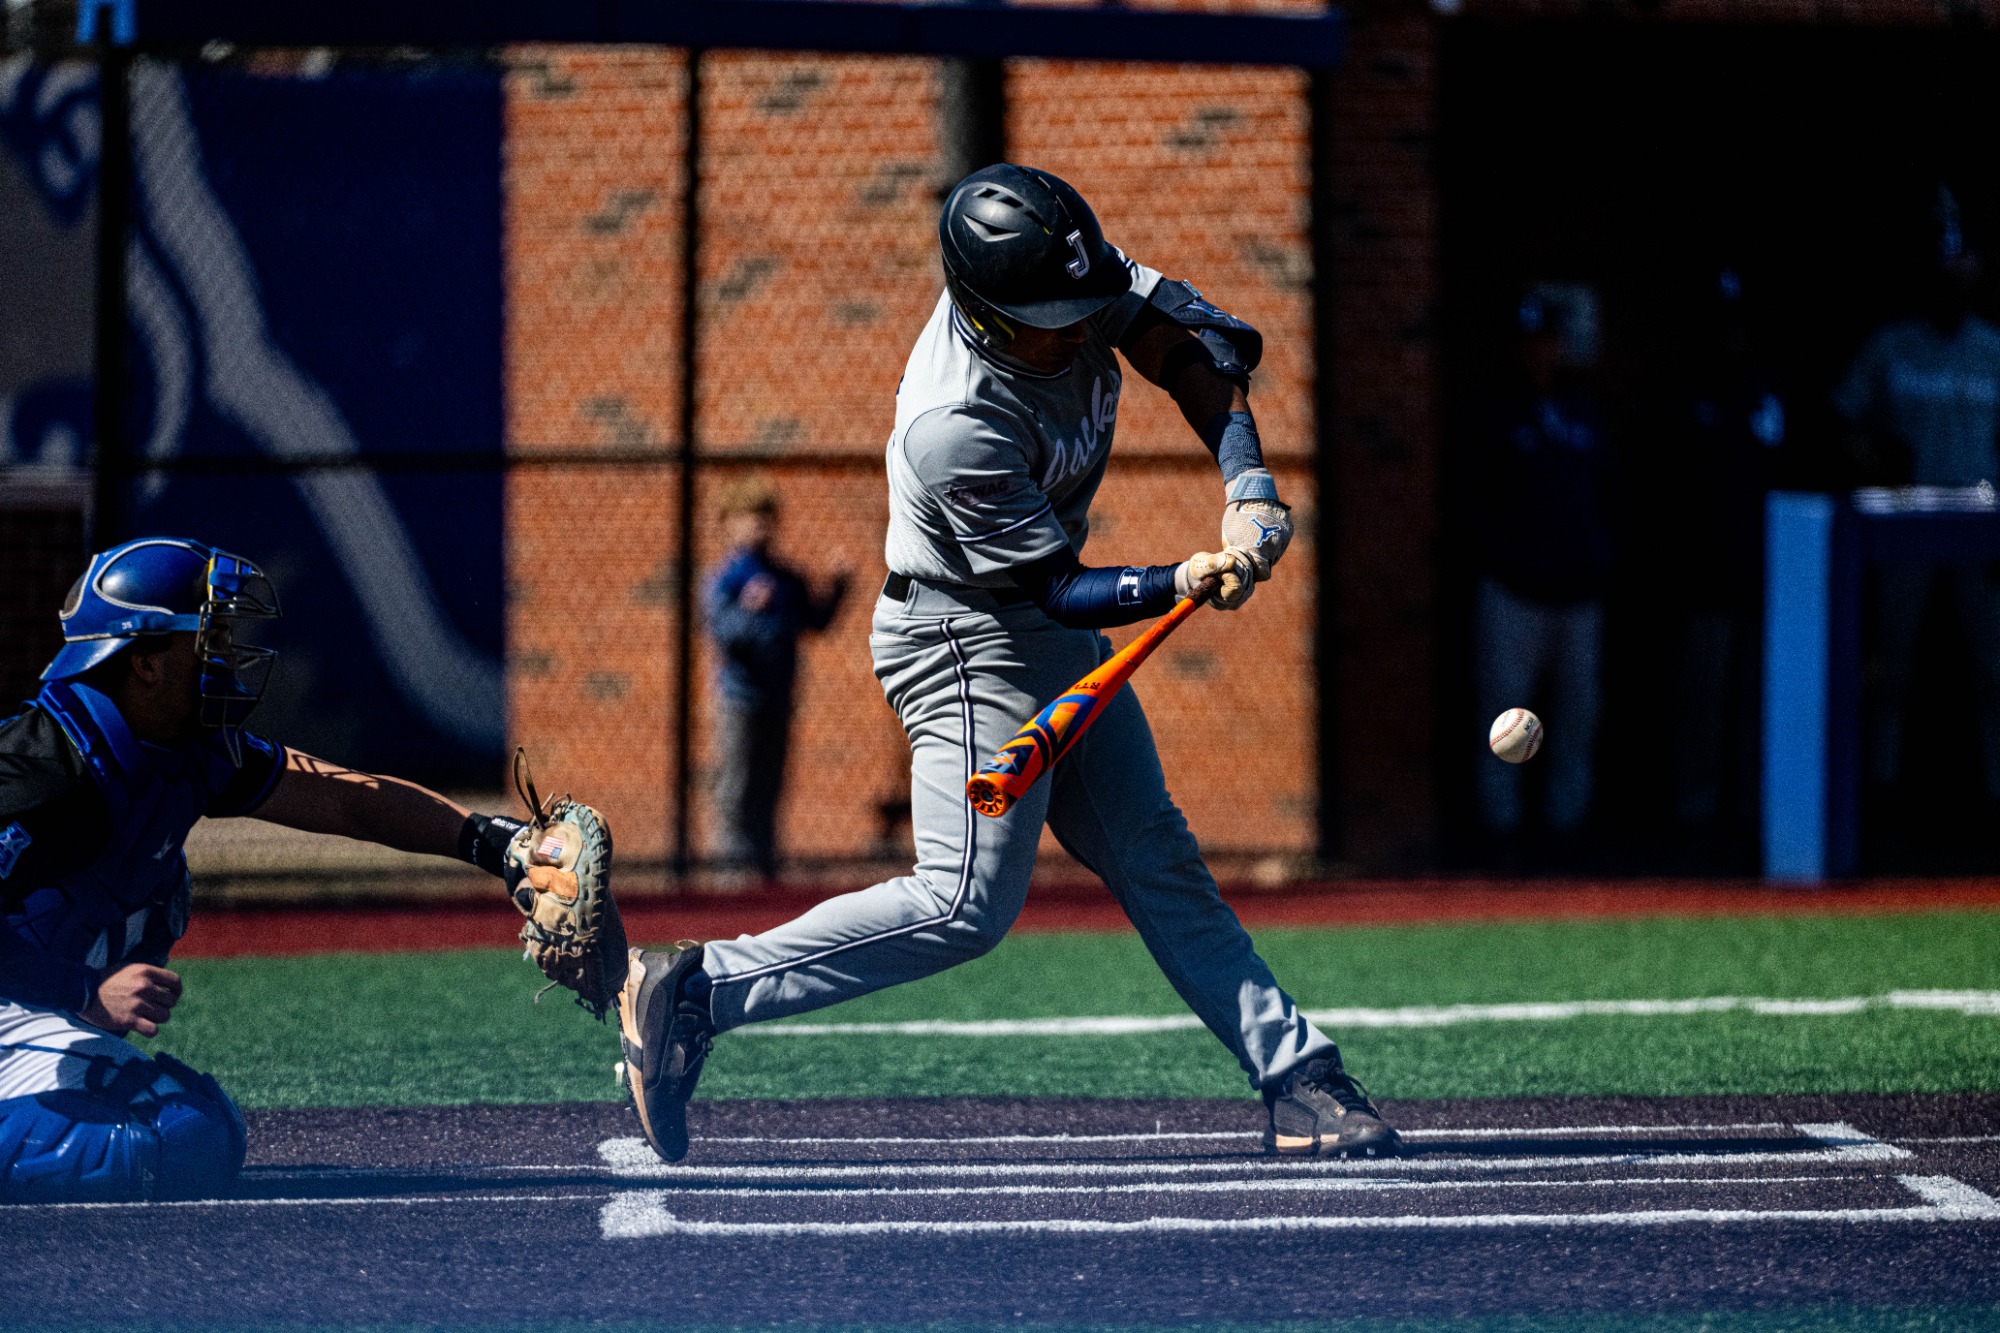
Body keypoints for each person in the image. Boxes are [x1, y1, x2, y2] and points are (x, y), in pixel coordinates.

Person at [615, 163, 1400, 1165]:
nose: (1077, 330)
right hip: (961, 638)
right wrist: (1178, 578)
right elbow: (1055, 587)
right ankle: (695, 989)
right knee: (962, 905)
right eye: (1049, 321)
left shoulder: (1074, 274)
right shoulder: (951, 421)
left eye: (1083, 305)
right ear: (985, 315)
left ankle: (1296, 1076)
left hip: (1040, 632)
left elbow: (1186, 351)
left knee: (1155, 854)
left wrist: (1246, 482)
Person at [0, 537, 546, 1202]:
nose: (227, 655)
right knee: (181, 1137)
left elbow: (349, 799)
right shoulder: (44, 766)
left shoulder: (182, 747)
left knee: (200, 1121)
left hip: (36, 1006)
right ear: (144, 661)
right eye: (209, 637)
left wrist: (499, 844)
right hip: (30, 1001)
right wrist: (84, 989)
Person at [1833, 228, 2000, 809]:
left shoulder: (1992, 349)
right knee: (1891, 662)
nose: (1954, 289)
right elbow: (1841, 421)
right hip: (1905, 520)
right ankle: (1882, 786)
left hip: (1980, 523)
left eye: (1963, 278)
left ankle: (1994, 791)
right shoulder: (1892, 346)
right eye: (1944, 278)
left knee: (1993, 665)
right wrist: (1876, 460)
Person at [1471, 286, 1613, 858]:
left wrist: (1600, 556)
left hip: (1578, 593)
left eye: (1548, 341)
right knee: (1506, 716)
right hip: (1515, 593)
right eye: (1530, 343)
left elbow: (1611, 494)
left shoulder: (1584, 412)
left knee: (1578, 715)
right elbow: (1474, 505)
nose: (1539, 353)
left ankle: (1568, 828)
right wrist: (1510, 559)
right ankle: (1501, 829)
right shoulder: (1494, 413)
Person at [705, 477, 851, 881]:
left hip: (779, 696)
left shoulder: (786, 578)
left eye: (765, 517)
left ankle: (763, 872)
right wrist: (750, 612)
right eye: (748, 517)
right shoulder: (727, 578)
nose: (759, 525)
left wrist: (839, 588)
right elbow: (723, 633)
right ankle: (730, 874)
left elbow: (815, 622)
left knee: (770, 785)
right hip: (739, 698)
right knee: (736, 785)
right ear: (728, 523)